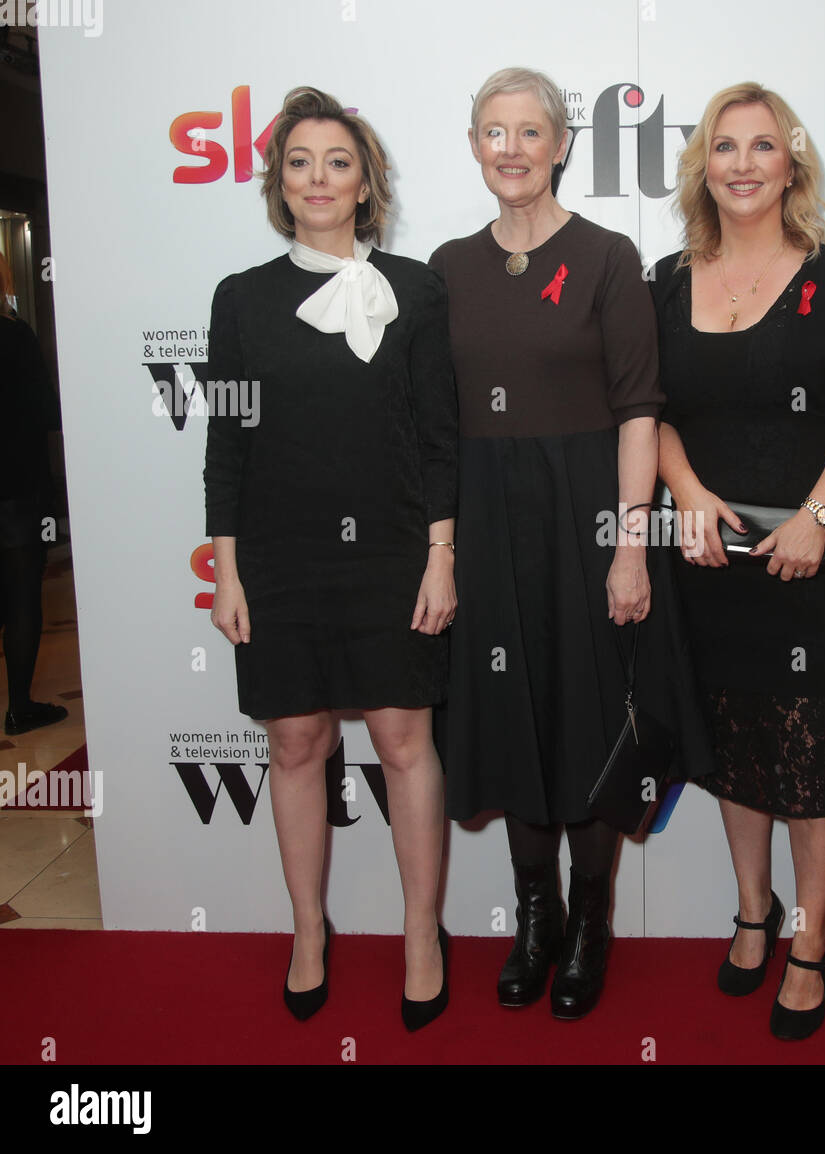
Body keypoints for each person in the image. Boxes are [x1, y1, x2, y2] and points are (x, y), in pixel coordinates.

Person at [429, 66, 708, 1020]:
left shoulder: (606, 256)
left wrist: (630, 547)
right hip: (487, 518)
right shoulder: (448, 267)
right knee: (513, 720)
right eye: (493, 132)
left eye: (529, 132)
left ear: (560, 147)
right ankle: (534, 919)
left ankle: (591, 925)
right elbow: (432, 421)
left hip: (590, 513)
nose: (510, 149)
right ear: (474, 147)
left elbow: (639, 410)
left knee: (588, 719)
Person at [203, 86, 457, 1030]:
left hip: (394, 553)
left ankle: (420, 936)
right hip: (278, 558)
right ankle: (309, 931)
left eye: (338, 162)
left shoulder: (418, 289)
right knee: (296, 743)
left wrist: (441, 556)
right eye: (300, 161)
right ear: (280, 181)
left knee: (403, 744)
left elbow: (441, 437)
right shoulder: (240, 299)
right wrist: (228, 572)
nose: (318, 178)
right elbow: (226, 446)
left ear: (365, 183)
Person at [650, 83, 825, 1040]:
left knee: (813, 754)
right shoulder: (667, 279)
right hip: (709, 562)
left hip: (810, 565)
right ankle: (753, 911)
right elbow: (651, 411)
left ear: (792, 163)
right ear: (702, 165)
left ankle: (811, 941)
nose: (742, 164)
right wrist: (688, 495)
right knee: (737, 742)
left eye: (761, 146)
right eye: (724, 147)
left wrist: (817, 515)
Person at [0, 253, 67, 736]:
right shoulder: (15, 337)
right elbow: (48, 411)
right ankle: (19, 706)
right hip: (17, 489)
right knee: (22, 596)